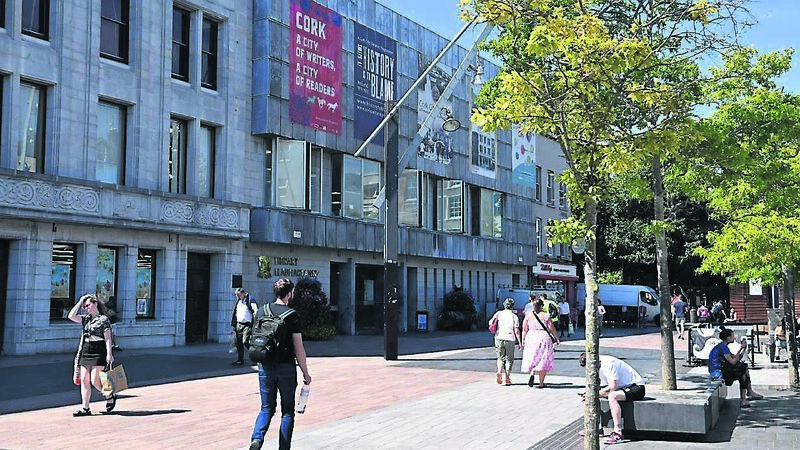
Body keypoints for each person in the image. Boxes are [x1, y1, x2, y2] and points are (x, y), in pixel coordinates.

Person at [249, 278, 312, 450]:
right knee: (287, 412)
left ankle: (257, 439)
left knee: (266, 408)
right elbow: (299, 348)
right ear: (289, 294)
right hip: (286, 368)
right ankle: (284, 448)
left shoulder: (261, 311)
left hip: (265, 366)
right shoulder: (292, 315)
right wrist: (305, 372)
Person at [579, 352, 646, 445]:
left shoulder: (608, 364)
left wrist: (596, 394)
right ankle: (597, 427)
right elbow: (600, 387)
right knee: (592, 395)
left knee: (612, 396)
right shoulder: (596, 367)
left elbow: (613, 386)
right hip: (622, 387)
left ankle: (618, 433)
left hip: (636, 387)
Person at [67, 293, 117, 416]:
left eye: (88, 305)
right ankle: (85, 408)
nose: (86, 308)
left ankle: (109, 395)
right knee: (84, 379)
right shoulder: (86, 319)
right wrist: (80, 301)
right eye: (85, 306)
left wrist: (109, 353)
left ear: (95, 304)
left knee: (95, 380)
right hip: (86, 350)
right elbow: (71, 316)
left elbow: (108, 338)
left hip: (98, 350)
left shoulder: (103, 319)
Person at [708, 328, 763, 408]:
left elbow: (736, 358)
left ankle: (748, 393)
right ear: (728, 338)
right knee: (742, 371)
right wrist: (740, 348)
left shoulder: (724, 346)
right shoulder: (722, 348)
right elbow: (733, 362)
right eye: (733, 336)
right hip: (717, 372)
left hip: (722, 369)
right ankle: (744, 398)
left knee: (744, 367)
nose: (734, 337)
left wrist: (744, 349)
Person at [521, 298, 559, 388]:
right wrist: (557, 339)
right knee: (543, 359)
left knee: (533, 356)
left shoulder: (528, 315)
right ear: (542, 306)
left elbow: (524, 329)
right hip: (543, 336)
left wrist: (523, 340)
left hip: (531, 336)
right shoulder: (546, 316)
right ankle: (541, 382)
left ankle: (532, 373)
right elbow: (551, 328)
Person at [489, 297, 522, 386]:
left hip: (499, 337)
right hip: (510, 338)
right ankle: (507, 377)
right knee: (509, 359)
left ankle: (499, 371)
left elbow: (490, 322)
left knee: (500, 357)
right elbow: (517, 330)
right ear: (512, 306)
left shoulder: (499, 314)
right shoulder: (514, 316)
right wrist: (520, 342)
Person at [231, 287, 258, 365]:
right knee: (239, 343)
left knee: (245, 341)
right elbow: (235, 313)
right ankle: (240, 359)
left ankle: (255, 357)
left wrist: (255, 324)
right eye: (236, 295)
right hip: (239, 324)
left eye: (238, 295)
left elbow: (255, 312)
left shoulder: (250, 300)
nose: (237, 297)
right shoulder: (238, 302)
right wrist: (234, 324)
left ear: (242, 293)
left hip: (247, 324)